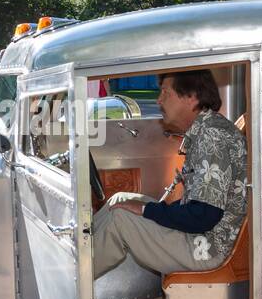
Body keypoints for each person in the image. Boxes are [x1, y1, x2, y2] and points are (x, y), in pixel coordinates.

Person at [92, 70, 246, 280]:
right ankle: (78, 250)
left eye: (165, 93)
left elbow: (204, 215)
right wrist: (149, 210)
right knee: (120, 200)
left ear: (191, 97)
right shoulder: (206, 129)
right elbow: (197, 206)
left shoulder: (212, 136)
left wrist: (148, 210)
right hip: (201, 234)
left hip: (209, 247)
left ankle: (68, 285)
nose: (159, 100)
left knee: (121, 219)